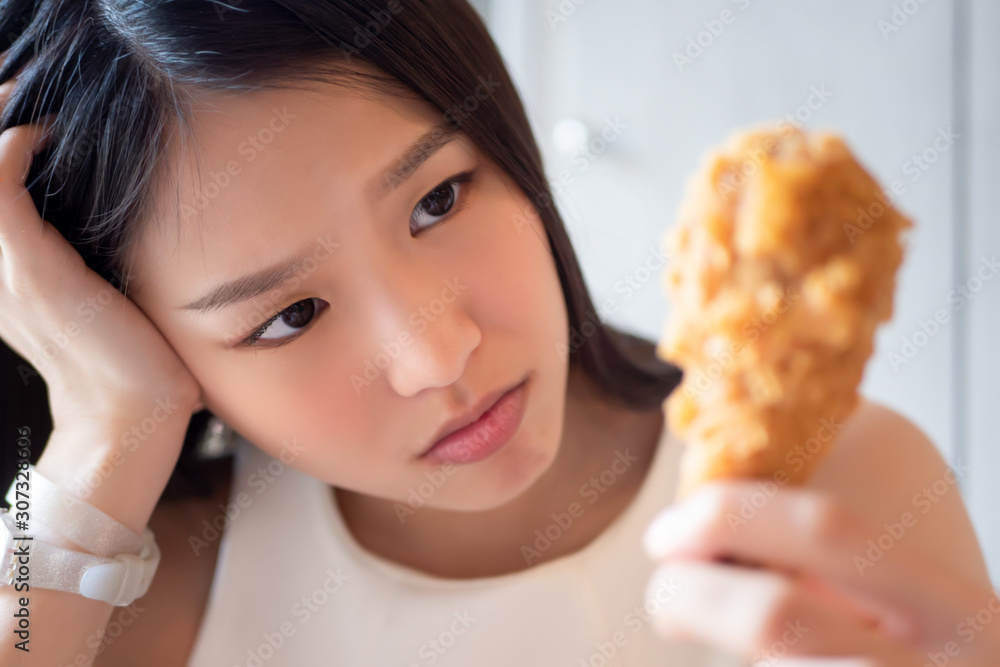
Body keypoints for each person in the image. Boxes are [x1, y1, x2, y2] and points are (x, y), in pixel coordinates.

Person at [0, 1, 995, 665]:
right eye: (289, 316)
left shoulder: (835, 491)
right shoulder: (121, 591)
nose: (439, 354)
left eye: (437, 200)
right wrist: (104, 434)